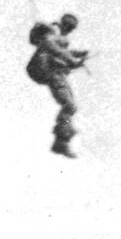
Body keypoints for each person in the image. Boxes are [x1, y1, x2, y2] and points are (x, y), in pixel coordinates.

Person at [26, 14, 88, 158]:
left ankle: (64, 135)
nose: (71, 31)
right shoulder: (52, 33)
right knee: (69, 106)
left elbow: (59, 51)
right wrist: (72, 60)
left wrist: (77, 54)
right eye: (71, 28)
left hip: (53, 71)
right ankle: (61, 141)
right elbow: (53, 47)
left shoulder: (56, 34)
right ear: (67, 25)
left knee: (71, 106)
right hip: (48, 71)